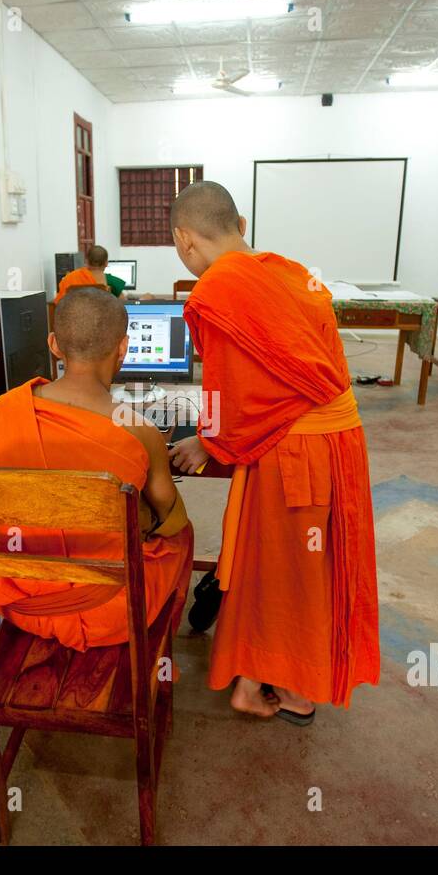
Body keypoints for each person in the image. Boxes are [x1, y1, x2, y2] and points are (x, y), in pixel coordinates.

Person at [166, 180, 380, 724]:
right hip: (331, 442)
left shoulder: (218, 290)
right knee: (282, 566)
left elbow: (232, 398)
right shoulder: (288, 270)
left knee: (287, 573)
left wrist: (208, 441)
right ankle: (256, 679)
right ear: (240, 226)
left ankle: (281, 683)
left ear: (184, 240)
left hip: (294, 451)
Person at [0, 286, 192, 649]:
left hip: (19, 601)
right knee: (181, 536)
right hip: (108, 610)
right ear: (124, 348)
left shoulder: (0, 413)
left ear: (54, 344)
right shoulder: (138, 431)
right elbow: (171, 519)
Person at [56, 244, 123, 302]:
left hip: (74, 315)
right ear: (106, 263)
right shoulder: (111, 281)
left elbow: (59, 303)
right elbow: (124, 303)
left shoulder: (69, 278)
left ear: (86, 261)